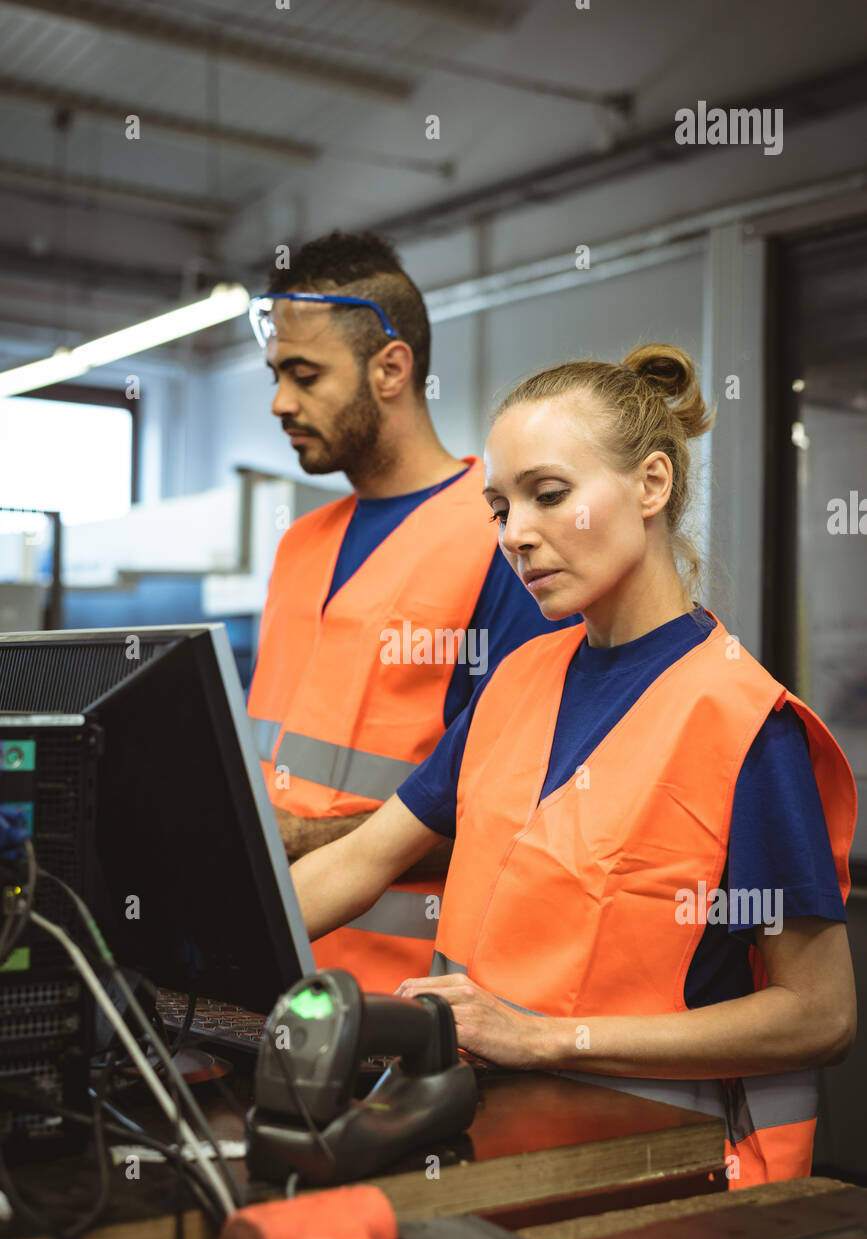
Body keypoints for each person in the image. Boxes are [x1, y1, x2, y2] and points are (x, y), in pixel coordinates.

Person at [290, 343, 858, 1189]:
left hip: (658, 1170)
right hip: (487, 1138)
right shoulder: (519, 680)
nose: (516, 534)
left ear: (651, 487)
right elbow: (364, 858)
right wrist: (192, 950)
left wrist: (547, 1036)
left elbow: (818, 1013)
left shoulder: (742, 724)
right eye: (499, 507)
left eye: (549, 495)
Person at [246, 231, 576, 994]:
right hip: (270, 978)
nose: (279, 402)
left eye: (304, 374)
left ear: (390, 369)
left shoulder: (503, 541)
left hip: (404, 1005)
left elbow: (528, 814)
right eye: (275, 375)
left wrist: (299, 840)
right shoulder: (299, 546)